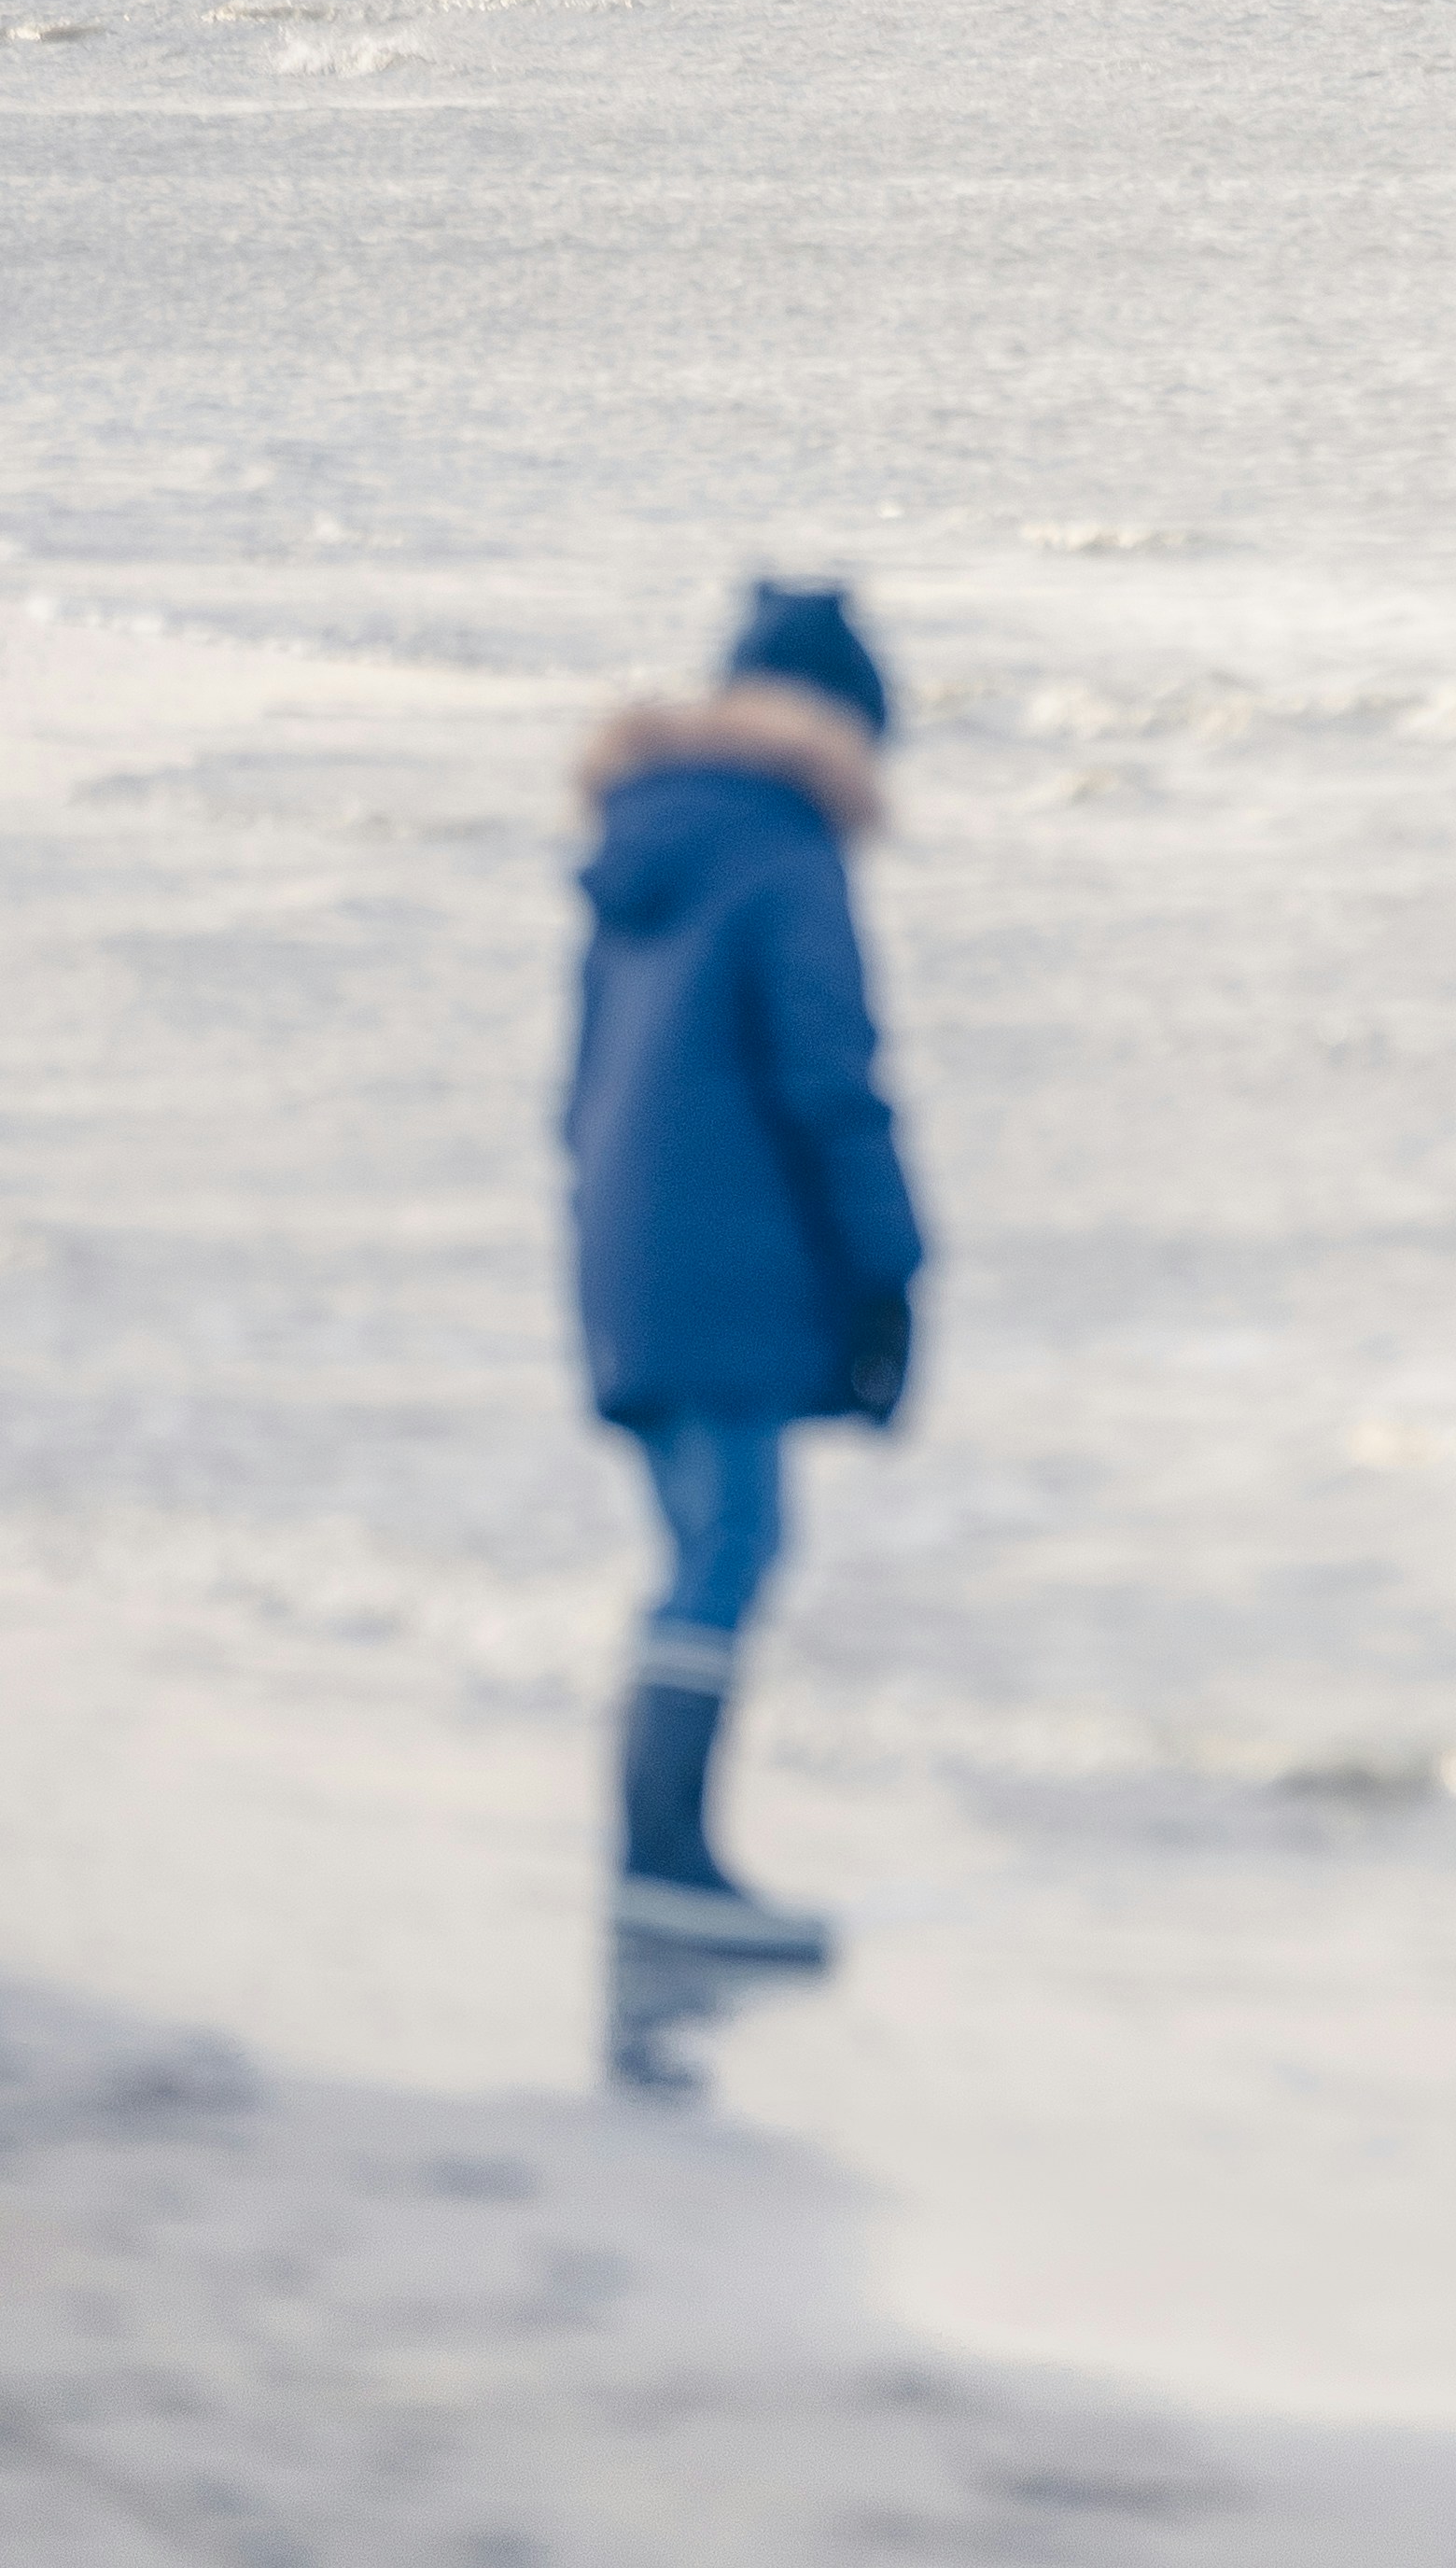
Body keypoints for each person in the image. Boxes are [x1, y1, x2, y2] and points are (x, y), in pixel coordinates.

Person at [563, 581, 928, 1959]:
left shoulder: (639, 848)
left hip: (626, 1254)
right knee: (733, 1549)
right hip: (736, 1259)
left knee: (701, 1548)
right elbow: (834, 1081)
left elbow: (574, 1093)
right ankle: (666, 1863)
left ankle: (665, 1857)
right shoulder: (785, 854)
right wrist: (894, 1265)